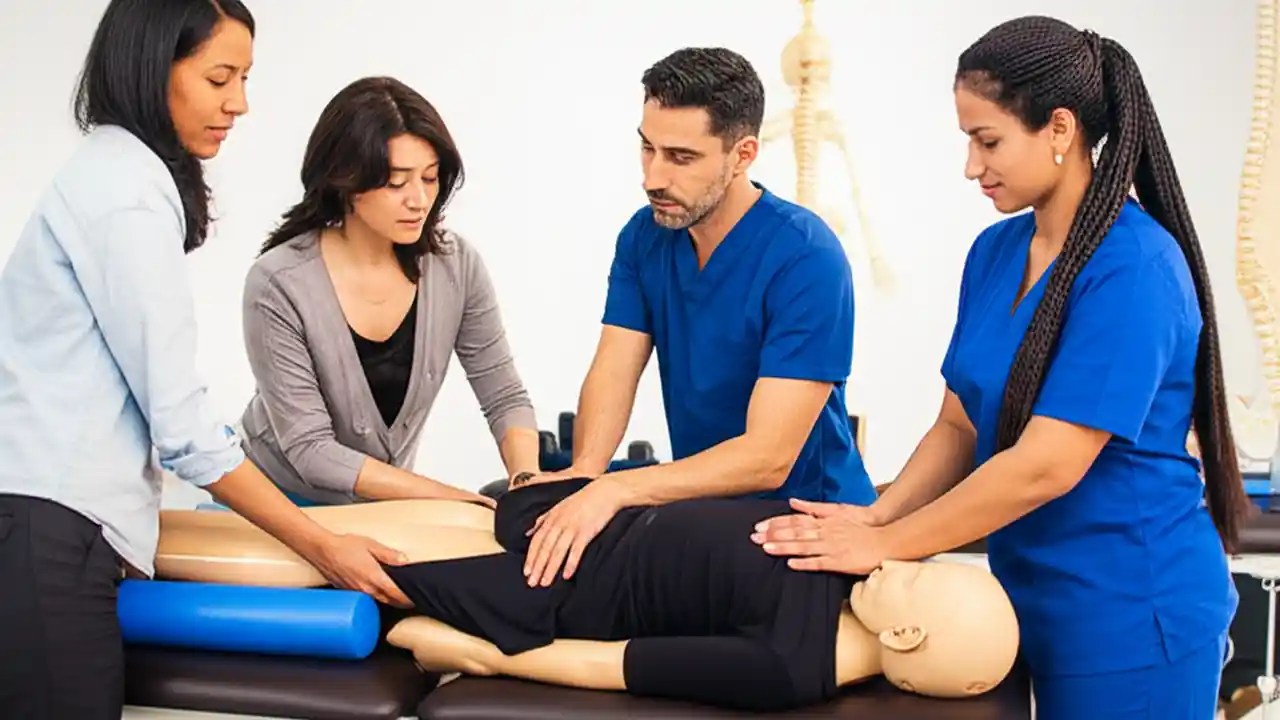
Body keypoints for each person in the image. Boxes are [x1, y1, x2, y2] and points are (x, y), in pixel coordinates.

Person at [752, 15, 1250, 719]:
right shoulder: (994, 253)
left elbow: (1048, 464)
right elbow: (957, 426)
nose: (971, 166)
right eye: (967, 140)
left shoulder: (1135, 269)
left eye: (988, 142)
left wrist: (889, 544)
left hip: (1132, 608)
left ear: (1059, 129)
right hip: (1022, 594)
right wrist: (874, 516)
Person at [0, 3, 414, 718]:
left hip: (58, 529)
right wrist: (324, 545)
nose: (239, 103)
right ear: (150, 67)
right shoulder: (125, 197)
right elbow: (183, 426)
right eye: (220, 77)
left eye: (245, 78)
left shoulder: (121, 178)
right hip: (48, 532)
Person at [154, 478, 1022, 713]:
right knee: (375, 516)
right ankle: (138, 515)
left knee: (324, 554)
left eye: (918, 577)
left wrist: (483, 653)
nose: (897, 561)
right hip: (573, 522)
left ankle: (126, 549)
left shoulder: (786, 669)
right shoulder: (848, 563)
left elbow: (614, 667)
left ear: (907, 640)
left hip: (542, 594)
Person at [517, 46, 876, 589]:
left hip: (808, 524)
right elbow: (615, 366)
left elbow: (767, 458)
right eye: (647, 149)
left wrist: (615, 490)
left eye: (681, 157)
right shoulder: (645, 238)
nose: (653, 177)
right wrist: (585, 475)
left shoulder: (807, 257)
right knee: (523, 523)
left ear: (743, 154)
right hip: (704, 510)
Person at [239, 75, 539, 507]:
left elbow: (505, 396)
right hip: (270, 506)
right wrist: (445, 498)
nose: (419, 200)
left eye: (431, 178)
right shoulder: (278, 283)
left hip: (380, 513)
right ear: (345, 181)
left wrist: (526, 481)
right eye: (397, 183)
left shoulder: (456, 265)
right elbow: (311, 451)